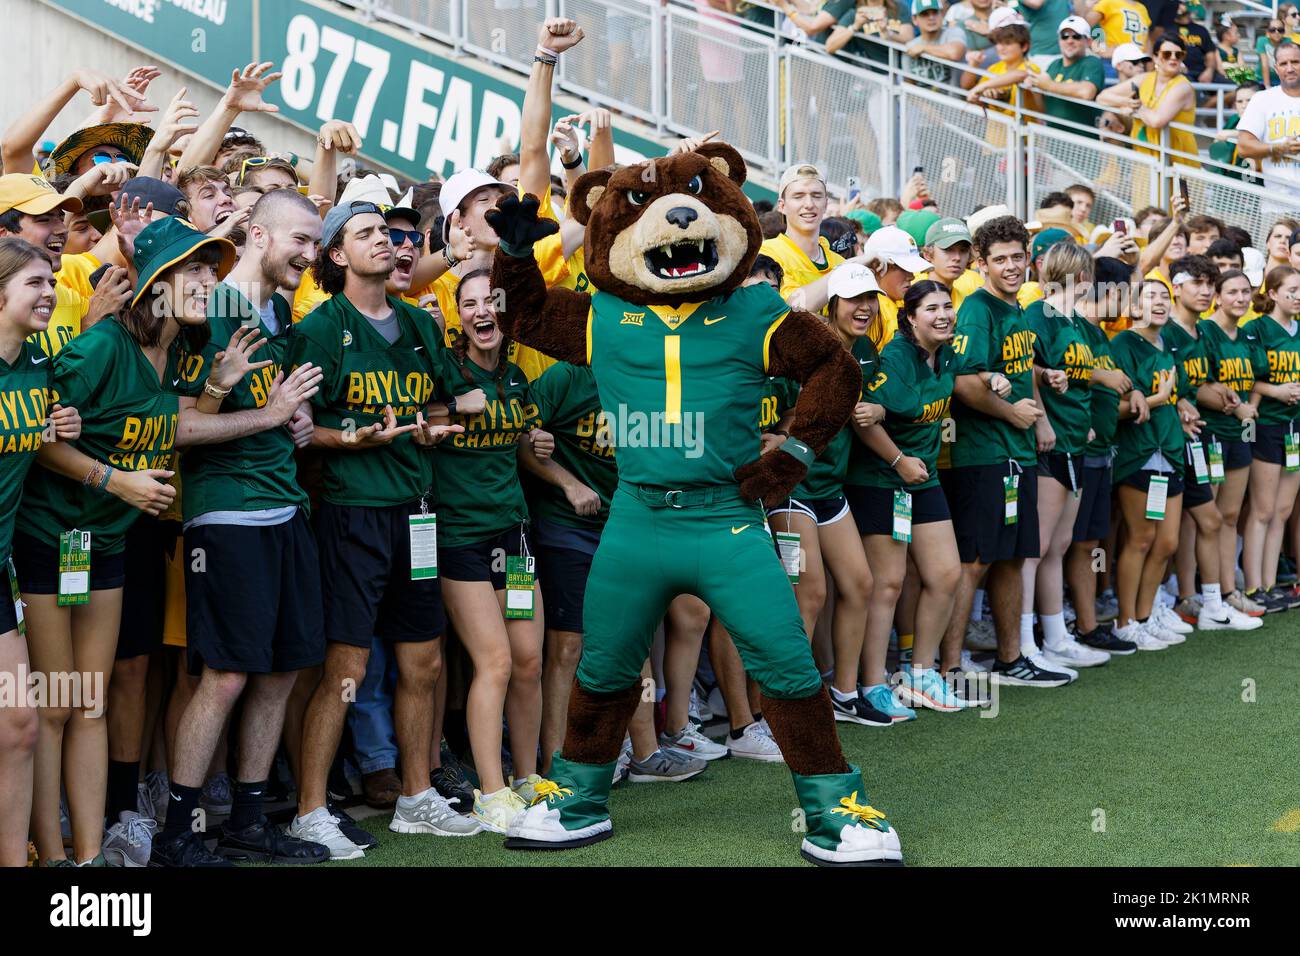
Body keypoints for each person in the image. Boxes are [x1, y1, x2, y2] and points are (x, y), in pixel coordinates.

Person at [14, 217, 230, 866]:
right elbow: (43, 433)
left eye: (210, 269)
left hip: (105, 543)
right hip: (50, 538)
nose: (207, 280)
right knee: (55, 705)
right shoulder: (104, 347)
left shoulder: (183, 352)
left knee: (89, 700)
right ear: (155, 279)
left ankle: (90, 853)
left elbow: (176, 427)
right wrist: (118, 482)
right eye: (192, 269)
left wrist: (219, 386)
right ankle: (53, 857)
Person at [287, 201, 483, 860]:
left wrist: (437, 423)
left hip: (419, 510)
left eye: (390, 234)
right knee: (345, 667)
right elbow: (292, 426)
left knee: (423, 661)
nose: (388, 243)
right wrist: (349, 437)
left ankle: (415, 797)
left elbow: (449, 401)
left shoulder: (421, 325)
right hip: (353, 512)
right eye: (368, 233)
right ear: (337, 255)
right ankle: (311, 810)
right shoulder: (320, 328)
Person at [148, 193, 336, 868]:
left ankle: (251, 821)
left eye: (317, 244)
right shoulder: (205, 308)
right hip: (225, 515)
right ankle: (176, 834)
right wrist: (269, 415)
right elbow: (178, 427)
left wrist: (297, 422)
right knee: (224, 676)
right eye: (303, 241)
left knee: (283, 669)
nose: (311, 256)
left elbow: (274, 406)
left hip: (284, 508)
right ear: (257, 233)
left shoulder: (280, 310)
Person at [435, 269, 549, 830]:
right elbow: (419, 427)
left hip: (516, 536)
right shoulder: (444, 374)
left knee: (528, 659)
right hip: (458, 540)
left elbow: (523, 443)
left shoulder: (519, 379)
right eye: (471, 304)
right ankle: (491, 789)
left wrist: (537, 443)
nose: (483, 312)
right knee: (496, 660)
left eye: (492, 303)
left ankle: (528, 778)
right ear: (459, 316)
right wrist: (453, 409)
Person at [941, 215, 1072, 687]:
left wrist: (1040, 386)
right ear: (982, 264)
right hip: (982, 452)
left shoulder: (1018, 308)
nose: (1012, 266)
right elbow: (963, 382)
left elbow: (1011, 368)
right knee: (975, 559)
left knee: (1014, 555)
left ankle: (1011, 658)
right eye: (1000, 260)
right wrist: (1011, 414)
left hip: (1016, 449)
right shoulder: (978, 308)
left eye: (1018, 257)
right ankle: (950, 667)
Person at [772, 264, 888, 725]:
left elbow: (869, 415)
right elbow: (772, 416)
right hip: (792, 487)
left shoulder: (868, 352)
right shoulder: (802, 348)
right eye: (853, 299)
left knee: (861, 584)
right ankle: (793, 705)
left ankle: (843, 693)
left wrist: (877, 412)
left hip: (831, 487)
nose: (863, 308)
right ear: (832, 303)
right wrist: (780, 432)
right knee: (810, 594)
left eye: (870, 299)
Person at [0, 238, 81, 866]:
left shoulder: (36, 366)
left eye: (51, 280)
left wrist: (61, 423)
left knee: (19, 725)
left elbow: (41, 427)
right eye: (34, 282)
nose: (50, 291)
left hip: (3, 569)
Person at [856, 279, 966, 710]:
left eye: (947, 306)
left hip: (924, 479)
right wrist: (898, 459)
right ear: (910, 317)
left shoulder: (949, 353)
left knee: (946, 574)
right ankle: (872, 684)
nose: (943, 315)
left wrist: (996, 378)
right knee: (888, 584)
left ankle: (920, 676)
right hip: (882, 478)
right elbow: (863, 417)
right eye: (932, 309)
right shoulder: (898, 357)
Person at [1022, 242, 1113, 668]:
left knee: (1058, 544)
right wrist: (1042, 420)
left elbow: (1078, 380)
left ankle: (1056, 634)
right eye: (1084, 273)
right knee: (1036, 546)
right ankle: (1025, 641)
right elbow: (1024, 367)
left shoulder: (1078, 321)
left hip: (1077, 439)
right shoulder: (1039, 314)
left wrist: (1085, 422)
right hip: (1049, 442)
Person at [1161, 257, 1259, 631]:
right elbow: (1163, 383)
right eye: (1197, 283)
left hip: (1207, 435)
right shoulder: (1167, 330)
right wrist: (1186, 400)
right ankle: (1182, 598)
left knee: (1212, 518)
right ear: (1177, 286)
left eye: (1208, 284)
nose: (1205, 291)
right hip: (1177, 438)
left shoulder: (1200, 332)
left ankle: (1210, 599)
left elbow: (1200, 382)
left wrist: (1219, 394)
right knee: (1180, 525)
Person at [1109, 280, 1189, 649]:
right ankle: (1126, 620)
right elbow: (1117, 409)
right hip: (1139, 452)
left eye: (1163, 297)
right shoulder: (1123, 344)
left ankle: (1145, 614)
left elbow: (1176, 394)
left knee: (1167, 541)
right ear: (1133, 304)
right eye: (1149, 297)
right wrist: (1157, 400)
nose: (1158, 303)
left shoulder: (1168, 342)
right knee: (1140, 538)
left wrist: (1180, 404)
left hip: (1170, 450)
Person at [1066, 256, 1141, 652]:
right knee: (1077, 542)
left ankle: (1087, 619)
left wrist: (1136, 395)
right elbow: (1054, 370)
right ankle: (1082, 623)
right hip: (1076, 451)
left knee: (1091, 539)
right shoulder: (1074, 327)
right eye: (1128, 292)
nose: (1131, 303)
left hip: (1101, 453)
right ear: (1111, 291)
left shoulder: (1100, 335)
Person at [1199, 269, 1266, 616]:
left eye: (1245, 292)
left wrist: (1249, 408)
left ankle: (1229, 590)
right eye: (1233, 292)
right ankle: (1197, 594)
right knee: (1204, 517)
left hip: (1240, 434)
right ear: (1217, 296)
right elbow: (1201, 386)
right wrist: (1238, 408)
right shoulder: (1206, 332)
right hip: (1211, 433)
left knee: (1228, 515)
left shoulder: (1247, 337)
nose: (1240, 299)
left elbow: (1256, 380)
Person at [1240, 266, 1300, 611]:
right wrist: (1276, 391)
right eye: (1291, 290)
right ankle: (1253, 586)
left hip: (1296, 427)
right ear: (1273, 292)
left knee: (1282, 509)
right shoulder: (1256, 329)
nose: (1297, 296)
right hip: (1267, 425)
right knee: (1261, 510)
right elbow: (1244, 378)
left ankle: (1271, 582)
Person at [760, 164, 843, 313]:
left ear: (825, 203)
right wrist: (842, 272)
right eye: (798, 196)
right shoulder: (767, 254)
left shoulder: (839, 262)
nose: (809, 204)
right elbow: (791, 309)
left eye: (816, 196)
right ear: (782, 206)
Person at [1236, 43, 1300, 216]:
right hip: (1276, 203)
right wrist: (1277, 148)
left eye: (1295, 62)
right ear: (1276, 68)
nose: (1290, 68)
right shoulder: (1262, 99)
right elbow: (1243, 147)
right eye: (1283, 64)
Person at [1026, 17, 1106, 134]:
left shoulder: (1092, 62)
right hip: (1053, 138)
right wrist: (1035, 87)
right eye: (1064, 36)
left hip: (1083, 141)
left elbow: (1086, 92)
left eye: (1076, 36)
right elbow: (1042, 109)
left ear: (1088, 41)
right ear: (1059, 40)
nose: (1069, 41)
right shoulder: (1054, 65)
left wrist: (1049, 85)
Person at [902, 0, 968, 85]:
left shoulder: (954, 32)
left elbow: (955, 53)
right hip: (921, 97)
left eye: (935, 12)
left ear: (942, 14)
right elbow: (909, 83)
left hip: (951, 97)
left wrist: (923, 48)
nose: (931, 18)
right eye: (925, 14)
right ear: (914, 19)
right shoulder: (911, 45)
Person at [1081, 0, 1152, 59]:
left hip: (1138, 65)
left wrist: (1148, 59)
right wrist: (1100, 50)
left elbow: (1146, 38)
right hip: (1114, 62)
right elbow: (1082, 26)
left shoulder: (1142, 8)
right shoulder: (1109, 2)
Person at [1172, 1, 1219, 83]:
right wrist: (1177, 64)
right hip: (1178, 72)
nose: (1178, 6)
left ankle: (1208, 96)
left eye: (1182, 3)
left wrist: (1209, 71)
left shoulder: (1201, 30)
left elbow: (1210, 55)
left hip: (1201, 72)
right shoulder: (1167, 28)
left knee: (1232, 85)